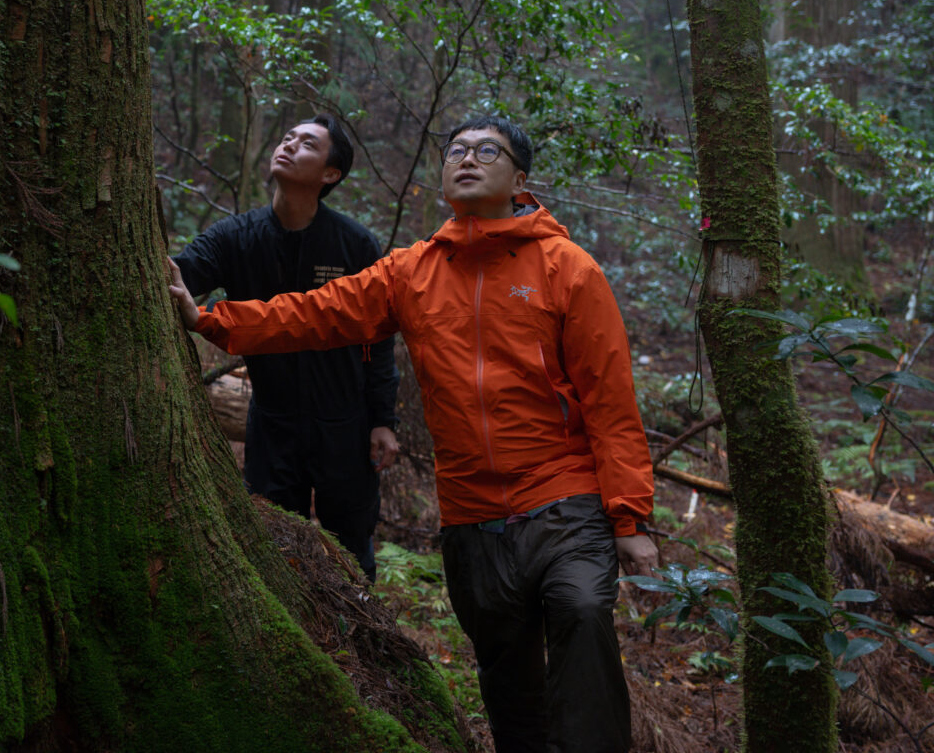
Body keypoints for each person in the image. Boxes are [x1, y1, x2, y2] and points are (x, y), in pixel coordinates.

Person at [168, 115, 656, 753]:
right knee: (506, 671)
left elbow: (610, 399)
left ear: (520, 179)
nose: (468, 158)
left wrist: (630, 519)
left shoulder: (567, 268)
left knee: (584, 611)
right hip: (471, 512)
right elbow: (315, 313)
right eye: (457, 150)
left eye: (488, 150)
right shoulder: (411, 272)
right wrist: (211, 320)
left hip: (563, 498)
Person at [172, 114, 399, 582]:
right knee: (273, 543)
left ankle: (359, 642)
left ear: (330, 174)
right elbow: (183, 273)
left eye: (308, 144)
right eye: (288, 137)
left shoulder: (354, 244)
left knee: (352, 546)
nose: (290, 145)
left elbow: (378, 338)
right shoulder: (235, 237)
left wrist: (382, 420)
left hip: (346, 423)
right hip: (273, 421)